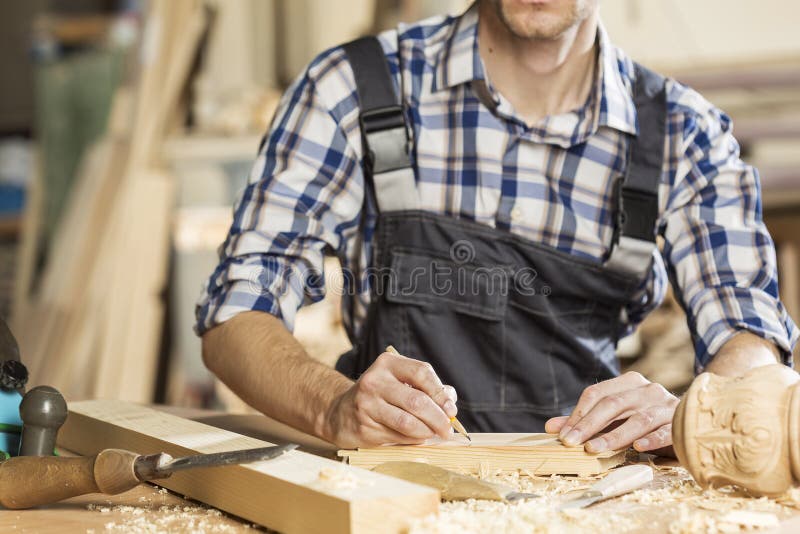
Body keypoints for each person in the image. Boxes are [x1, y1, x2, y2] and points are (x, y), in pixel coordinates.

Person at [196, 0, 798, 454]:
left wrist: (693, 413)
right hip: (396, 490)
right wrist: (333, 407)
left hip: (585, 500)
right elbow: (235, 315)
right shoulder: (351, 89)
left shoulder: (684, 137)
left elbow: (752, 342)